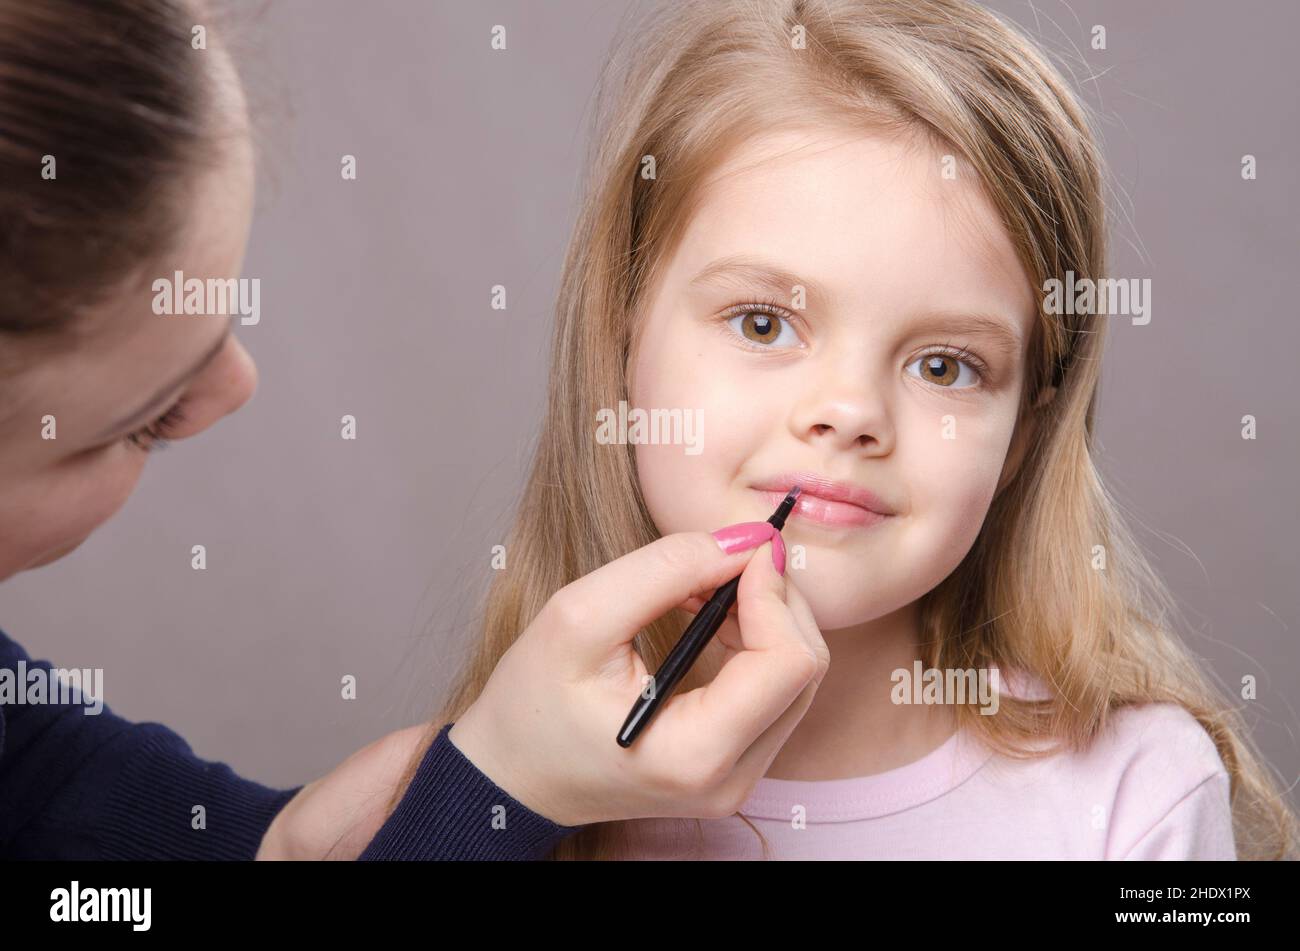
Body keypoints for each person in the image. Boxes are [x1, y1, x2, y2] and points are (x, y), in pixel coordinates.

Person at [362, 0, 1299, 860]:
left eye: (945, 366)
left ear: (1022, 434)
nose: (849, 412)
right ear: (620, 342)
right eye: (764, 323)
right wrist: (490, 798)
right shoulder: (477, 790)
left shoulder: (1144, 795)